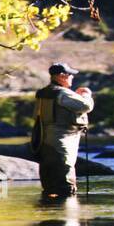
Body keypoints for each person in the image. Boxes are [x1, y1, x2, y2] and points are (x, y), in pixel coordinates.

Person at [33, 63, 94, 197]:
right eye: (70, 75)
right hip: (61, 145)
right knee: (66, 187)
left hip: (44, 144)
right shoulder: (62, 93)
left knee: (49, 187)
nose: (72, 77)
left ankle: (51, 214)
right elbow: (86, 106)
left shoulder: (42, 93)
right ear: (62, 76)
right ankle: (67, 214)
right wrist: (86, 94)